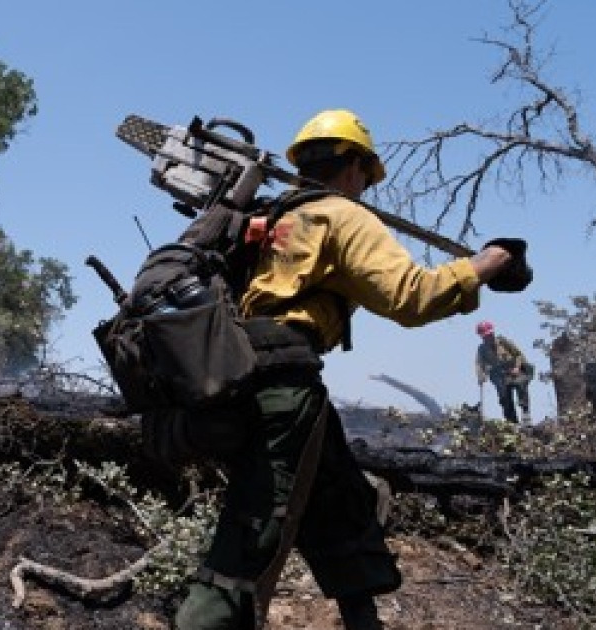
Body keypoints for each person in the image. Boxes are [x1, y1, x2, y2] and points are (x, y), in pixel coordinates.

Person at [171, 109, 530, 630]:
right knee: (249, 538)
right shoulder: (344, 216)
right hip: (284, 393)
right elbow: (411, 297)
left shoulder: (277, 218)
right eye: (364, 175)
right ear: (356, 166)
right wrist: (485, 266)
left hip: (255, 378)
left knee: (343, 507)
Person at [474, 320, 533, 422]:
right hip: (499, 375)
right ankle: (512, 422)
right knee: (504, 398)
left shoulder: (504, 342)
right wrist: (481, 376)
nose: (489, 338)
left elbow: (518, 355)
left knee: (520, 384)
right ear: (482, 337)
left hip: (514, 370)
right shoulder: (482, 349)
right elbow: (479, 364)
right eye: (485, 336)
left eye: (490, 335)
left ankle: (525, 414)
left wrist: (517, 367)